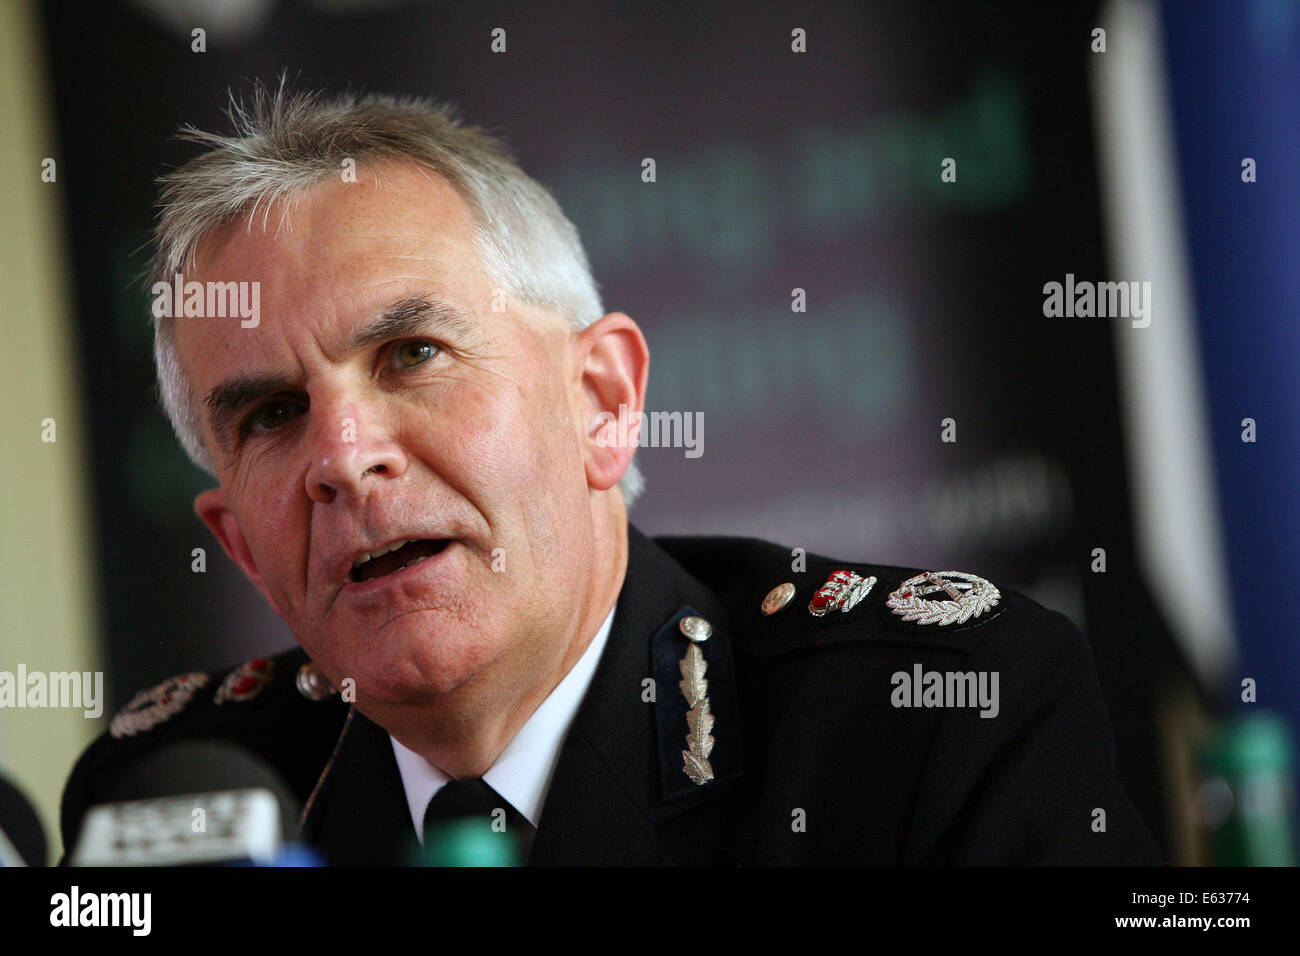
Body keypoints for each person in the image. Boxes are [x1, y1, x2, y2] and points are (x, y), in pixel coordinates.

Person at [61, 85, 1162, 865]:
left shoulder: (931, 726)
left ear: (603, 401)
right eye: (271, 413)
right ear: (242, 542)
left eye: (412, 354)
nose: (345, 458)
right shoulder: (172, 801)